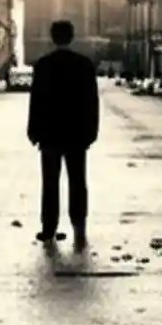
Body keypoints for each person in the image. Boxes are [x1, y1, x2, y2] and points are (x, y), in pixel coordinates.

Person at [27, 20, 100, 248]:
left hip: (49, 135)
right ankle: (79, 226)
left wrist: (33, 131)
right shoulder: (84, 65)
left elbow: (36, 102)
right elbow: (92, 102)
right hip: (77, 135)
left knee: (50, 183)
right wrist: (91, 132)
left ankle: (49, 228)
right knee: (78, 181)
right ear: (72, 37)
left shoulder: (43, 65)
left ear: (52, 37)